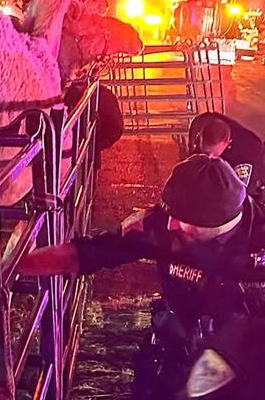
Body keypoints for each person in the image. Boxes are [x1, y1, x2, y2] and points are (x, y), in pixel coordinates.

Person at [17, 155, 265, 399]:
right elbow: (90, 253)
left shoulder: (259, 245)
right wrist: (14, 266)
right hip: (175, 353)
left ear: (216, 225)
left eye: (182, 221)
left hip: (242, 370)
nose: (170, 225)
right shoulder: (163, 225)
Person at [189, 112, 265, 202]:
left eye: (213, 154)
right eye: (206, 152)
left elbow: (239, 198)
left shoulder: (247, 154)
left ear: (226, 142)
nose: (209, 156)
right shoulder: (201, 124)